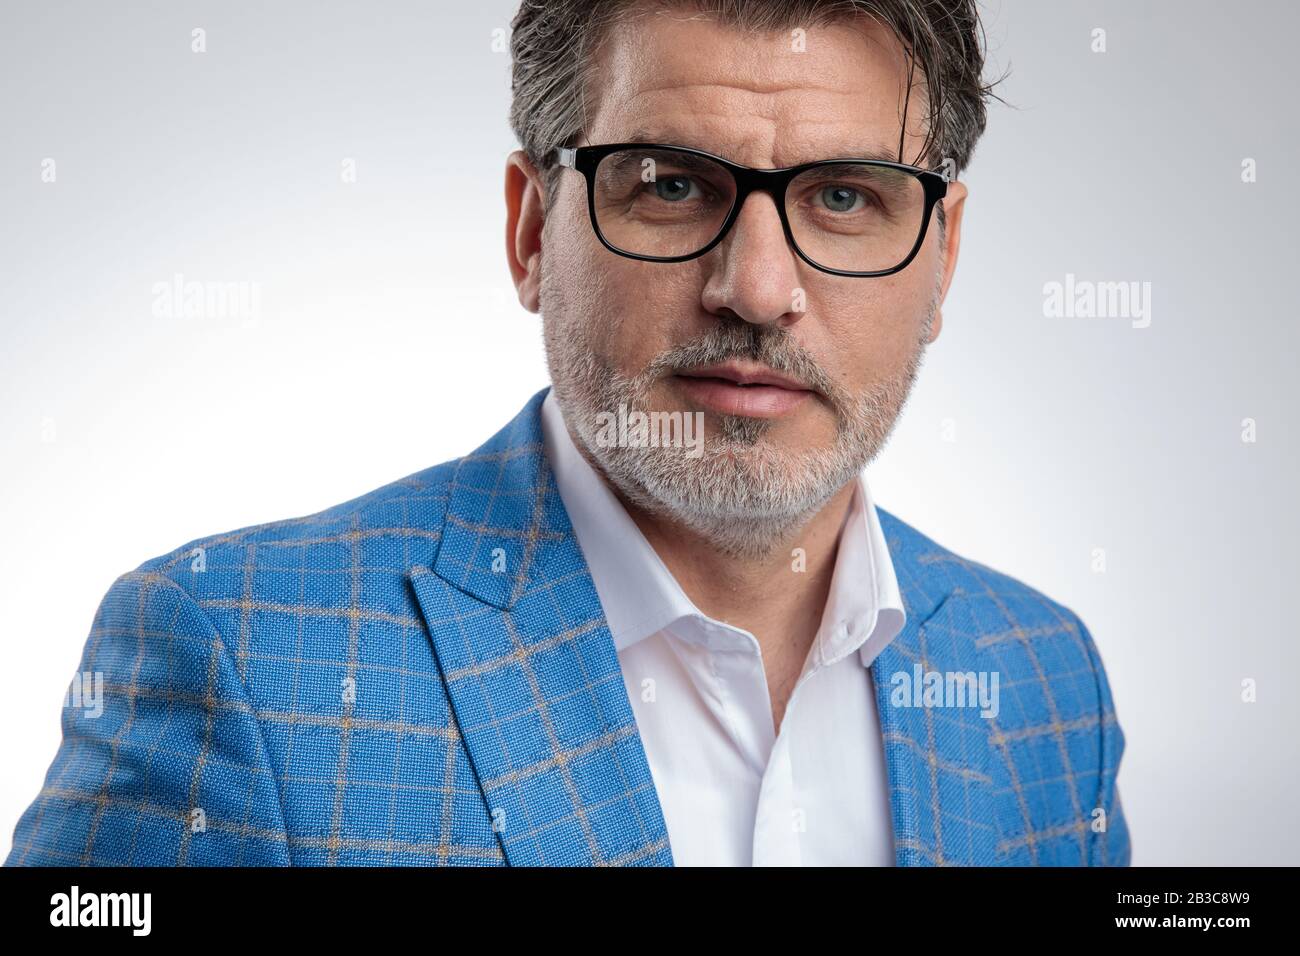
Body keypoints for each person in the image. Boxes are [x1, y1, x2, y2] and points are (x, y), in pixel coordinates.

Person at [6, 0, 1128, 867]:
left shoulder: (1041, 674)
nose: (756, 286)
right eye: (669, 184)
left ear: (941, 259)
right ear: (532, 230)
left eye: (843, 197)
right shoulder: (234, 657)